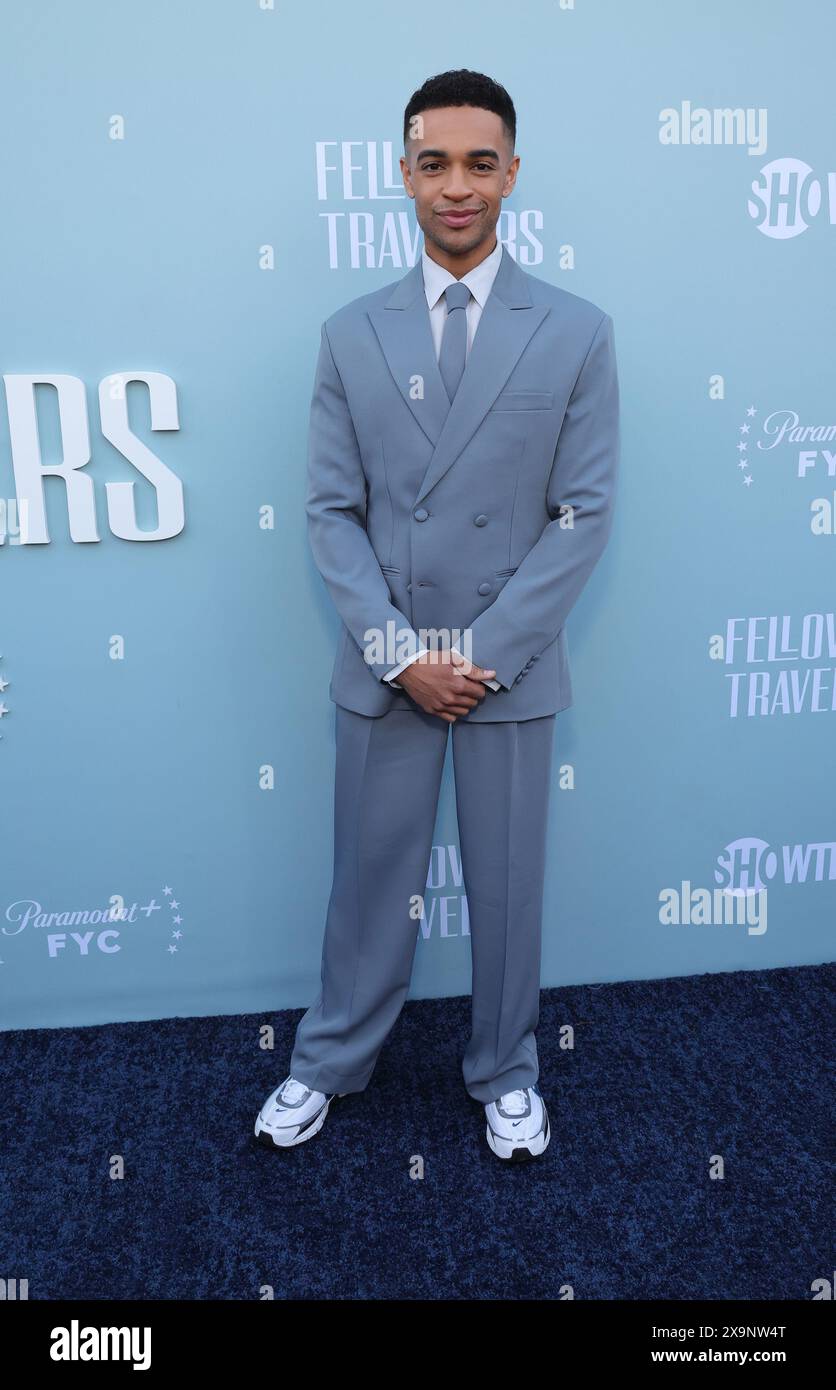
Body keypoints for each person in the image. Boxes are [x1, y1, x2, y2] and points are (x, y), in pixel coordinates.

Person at [255, 68, 620, 1161]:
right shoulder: (349, 333)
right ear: (402, 174)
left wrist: (482, 655)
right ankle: (328, 1058)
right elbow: (330, 512)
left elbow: (583, 510)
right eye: (432, 162)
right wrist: (404, 656)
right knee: (369, 883)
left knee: (507, 893)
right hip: (386, 668)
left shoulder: (574, 330)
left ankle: (506, 1067)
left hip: (506, 669)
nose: (455, 185)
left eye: (477, 162)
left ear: (511, 171)